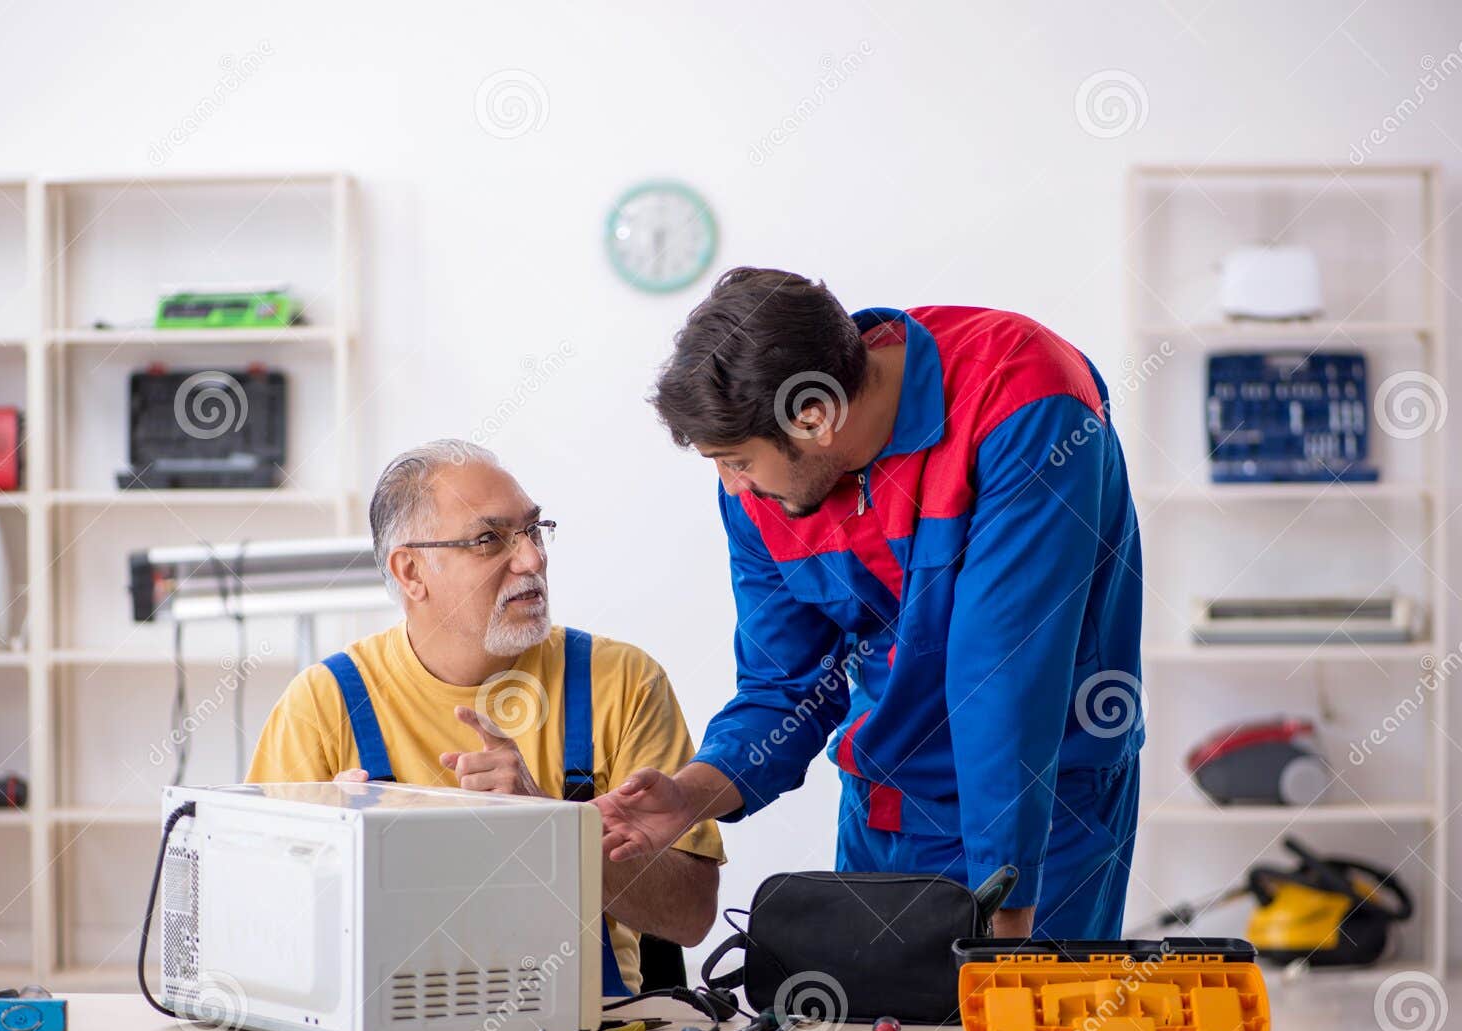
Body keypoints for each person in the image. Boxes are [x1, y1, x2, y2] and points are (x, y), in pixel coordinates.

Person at [596, 268, 1143, 940]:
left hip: (1046, 814)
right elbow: (784, 688)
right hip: (886, 813)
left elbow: (1003, 676)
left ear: (816, 417)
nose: (732, 488)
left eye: (736, 461)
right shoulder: (764, 487)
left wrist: (1007, 913)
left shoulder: (1021, 395)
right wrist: (688, 798)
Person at [248, 439, 723, 993]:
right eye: (490, 539)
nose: (532, 558)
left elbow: (691, 916)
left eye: (534, 529)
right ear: (411, 571)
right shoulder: (325, 703)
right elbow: (260, 928)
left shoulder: (621, 682)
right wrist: (331, 857)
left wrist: (550, 826)